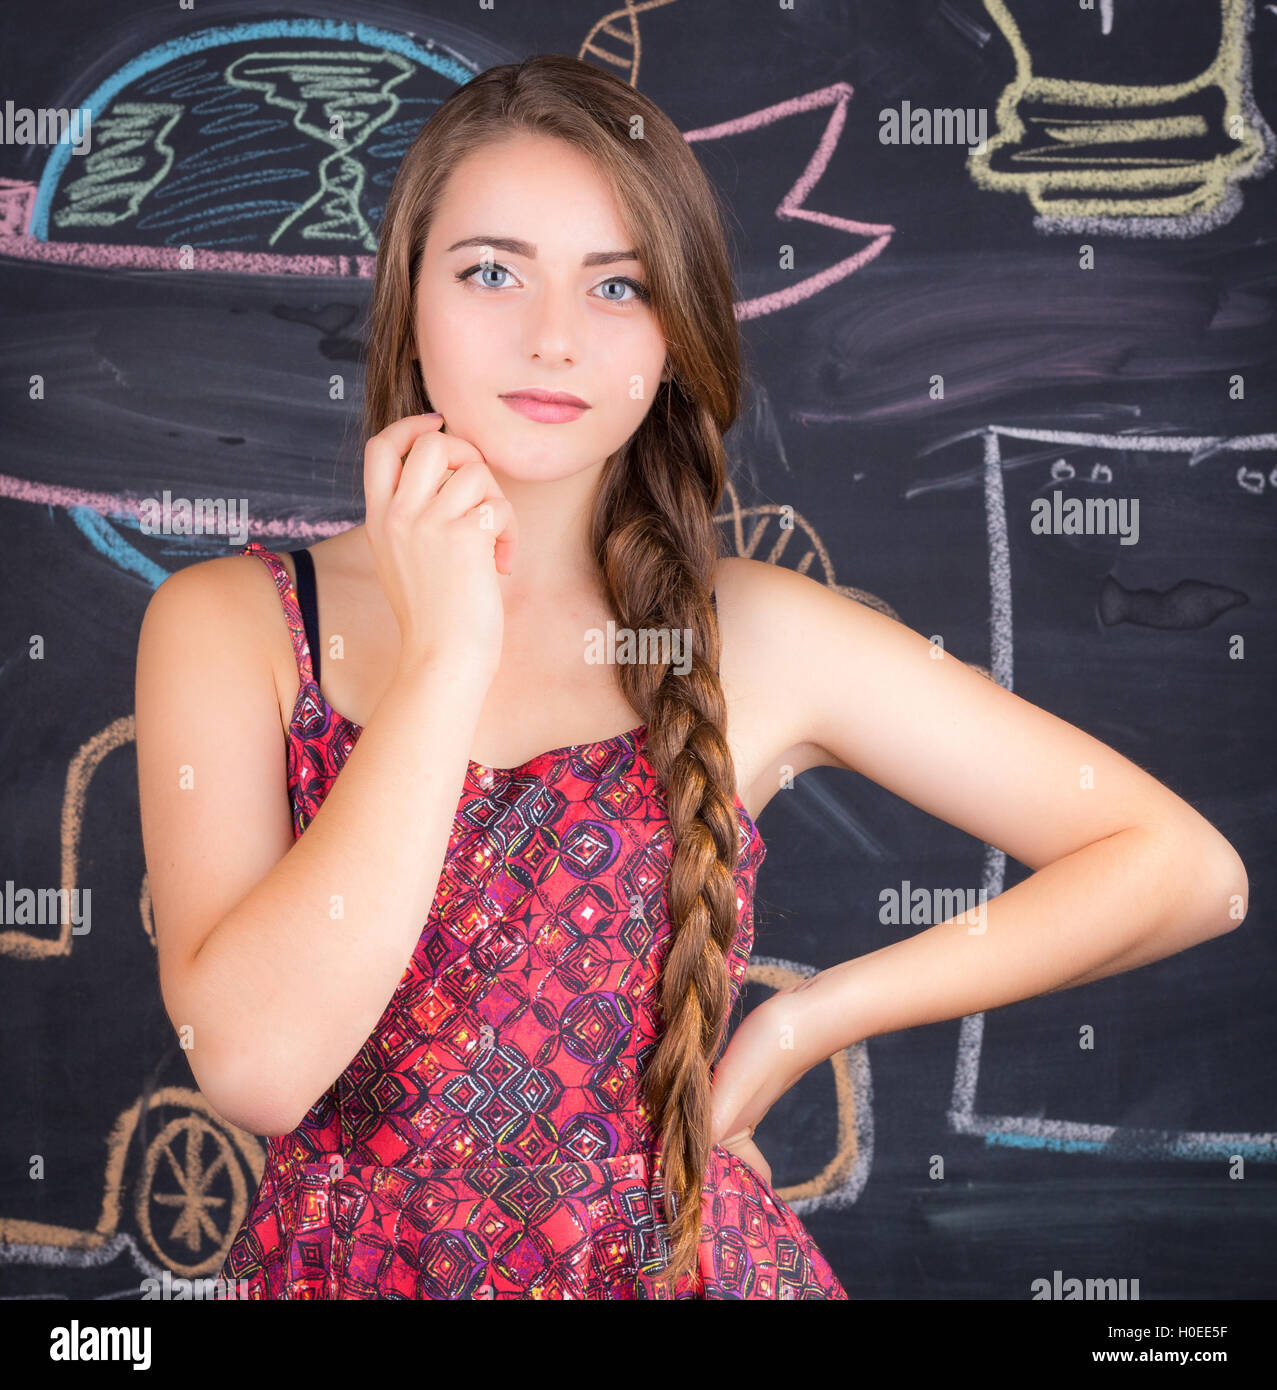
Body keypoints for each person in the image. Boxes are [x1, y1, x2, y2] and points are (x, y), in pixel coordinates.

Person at [134, 55, 1247, 1301]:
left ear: (670, 338)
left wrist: (804, 1020)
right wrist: (447, 655)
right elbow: (256, 1066)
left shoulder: (752, 633)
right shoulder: (230, 625)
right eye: (491, 271)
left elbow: (1183, 870)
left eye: (616, 284)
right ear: (409, 299)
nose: (553, 336)